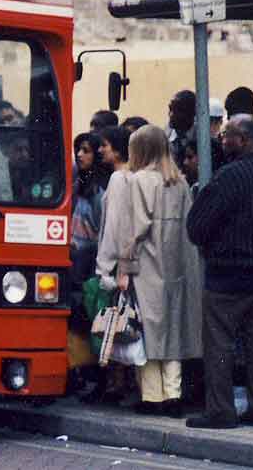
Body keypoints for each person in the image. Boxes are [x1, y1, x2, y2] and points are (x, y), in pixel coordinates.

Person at [185, 114, 253, 429]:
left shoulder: (228, 176)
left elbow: (197, 226)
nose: (221, 140)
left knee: (219, 343)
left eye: (227, 134)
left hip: (228, 274)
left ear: (243, 140)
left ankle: (221, 410)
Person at [109, 125, 199, 416]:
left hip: (148, 265)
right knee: (173, 328)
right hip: (179, 265)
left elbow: (133, 230)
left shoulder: (138, 181)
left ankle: (152, 396)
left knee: (147, 330)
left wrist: (124, 268)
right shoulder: (180, 182)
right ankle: (174, 393)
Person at [94, 124, 135, 404]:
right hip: (125, 262)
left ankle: (116, 384)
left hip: (115, 263)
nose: (100, 150)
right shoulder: (129, 176)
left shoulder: (119, 179)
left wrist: (105, 264)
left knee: (115, 324)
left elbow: (114, 226)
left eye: (104, 145)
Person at [69, 131, 113, 399]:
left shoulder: (100, 191)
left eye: (86, 150)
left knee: (93, 321)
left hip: (91, 263)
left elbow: (102, 229)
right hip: (76, 261)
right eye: (78, 150)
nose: (80, 155)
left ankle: (98, 379)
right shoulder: (78, 184)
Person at [167, 90, 197, 166]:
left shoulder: (202, 138)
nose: (171, 114)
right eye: (170, 109)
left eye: (178, 111)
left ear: (192, 113)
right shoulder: (163, 138)